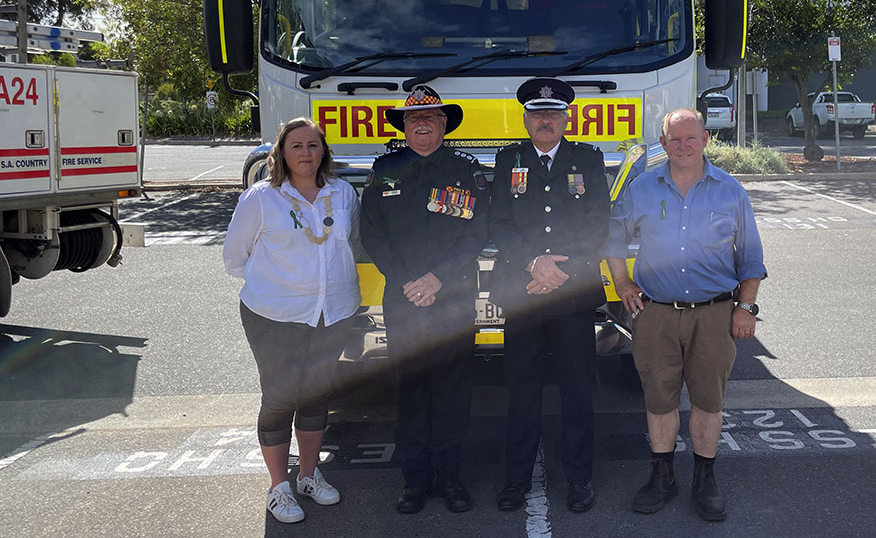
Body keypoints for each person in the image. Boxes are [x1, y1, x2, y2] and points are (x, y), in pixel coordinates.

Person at [604, 107, 766, 523]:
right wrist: (623, 285)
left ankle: (704, 478)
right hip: (655, 313)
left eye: (690, 138)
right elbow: (612, 240)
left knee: (708, 401)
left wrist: (745, 308)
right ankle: (662, 476)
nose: (683, 146)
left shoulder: (730, 191)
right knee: (659, 399)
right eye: (674, 139)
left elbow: (750, 257)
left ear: (706, 140)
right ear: (663, 145)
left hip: (714, 315)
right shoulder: (641, 189)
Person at [223, 117, 361, 524]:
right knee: (281, 397)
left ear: (324, 152)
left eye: (314, 145)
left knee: (317, 393)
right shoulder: (261, 199)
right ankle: (278, 487)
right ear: (282, 152)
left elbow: (350, 244)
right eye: (297, 146)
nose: (306, 153)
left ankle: (308, 475)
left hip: (333, 311)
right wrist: (279, 285)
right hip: (274, 315)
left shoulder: (344, 193)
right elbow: (235, 257)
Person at [359, 85, 489, 515]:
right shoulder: (386, 168)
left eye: (430, 119)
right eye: (414, 120)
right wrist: (407, 280)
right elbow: (372, 233)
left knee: (453, 393)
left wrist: (437, 279)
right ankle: (414, 481)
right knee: (411, 392)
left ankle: (450, 477)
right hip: (404, 300)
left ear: (444, 124)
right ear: (405, 127)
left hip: (452, 298)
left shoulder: (465, 170)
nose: (422, 126)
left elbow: (477, 233)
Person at [488, 77, 610, 513]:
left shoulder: (587, 160)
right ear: (526, 119)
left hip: (572, 295)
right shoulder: (509, 160)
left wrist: (562, 270)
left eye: (554, 114)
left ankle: (579, 479)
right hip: (523, 293)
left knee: (577, 389)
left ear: (566, 118)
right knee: (522, 390)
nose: (546, 120)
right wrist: (532, 264)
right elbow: (497, 222)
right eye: (538, 114)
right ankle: (515, 478)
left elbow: (598, 222)